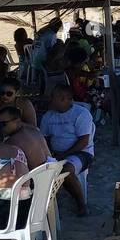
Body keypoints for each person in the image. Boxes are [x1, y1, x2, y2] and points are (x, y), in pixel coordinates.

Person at [39, 85, 94, 215]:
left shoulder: (81, 114)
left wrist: (64, 154)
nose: (50, 100)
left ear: (64, 99)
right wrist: (49, 153)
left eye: (54, 97)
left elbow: (83, 141)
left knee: (67, 170)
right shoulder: (48, 116)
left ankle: (81, 204)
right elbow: (44, 138)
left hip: (81, 153)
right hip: (55, 153)